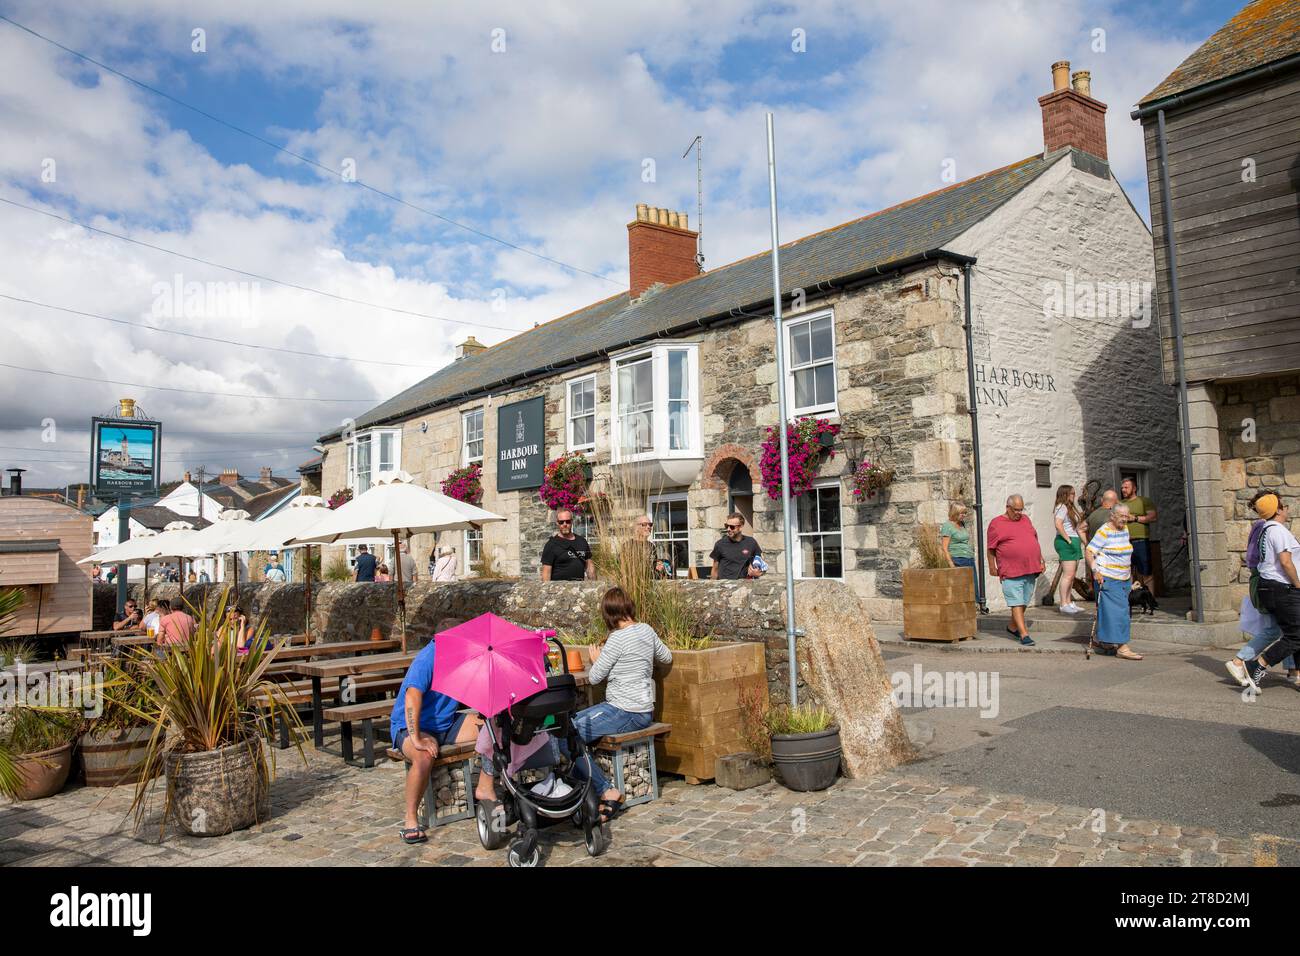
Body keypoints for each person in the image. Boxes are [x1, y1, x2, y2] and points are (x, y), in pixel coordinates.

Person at [546, 586, 672, 821]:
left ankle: (607, 791)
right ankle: (580, 780)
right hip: (642, 708)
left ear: (609, 615)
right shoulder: (647, 630)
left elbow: (593, 678)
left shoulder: (616, 640)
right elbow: (667, 657)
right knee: (569, 723)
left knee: (564, 736)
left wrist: (596, 659)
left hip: (624, 710)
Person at [391, 639, 479, 844]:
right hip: (412, 725)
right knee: (423, 757)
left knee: (493, 730)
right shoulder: (427, 658)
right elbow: (412, 696)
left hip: (446, 723)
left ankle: (487, 790)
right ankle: (410, 820)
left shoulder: (461, 656)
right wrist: (416, 737)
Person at [1232, 492, 1300, 694]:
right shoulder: (1277, 530)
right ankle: (1255, 665)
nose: (1287, 508)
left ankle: (1295, 673)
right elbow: (1286, 561)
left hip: (1272, 587)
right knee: (1295, 635)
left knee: (1293, 632)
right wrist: (1298, 584)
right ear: (1278, 510)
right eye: (1284, 505)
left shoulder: (1266, 529)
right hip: (1281, 587)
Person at [1085, 504, 1143, 660]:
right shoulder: (1104, 531)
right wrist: (1095, 570)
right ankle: (1122, 647)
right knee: (1120, 612)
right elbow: (1089, 551)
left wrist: (1129, 575)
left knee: (1108, 611)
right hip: (1108, 577)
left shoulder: (1124, 529)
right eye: (1121, 516)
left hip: (1123, 577)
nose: (1125, 519)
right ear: (1112, 516)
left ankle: (1103, 640)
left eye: (1126, 516)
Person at [986, 495, 1043, 645]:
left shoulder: (1025, 520)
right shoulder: (996, 523)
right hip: (1010, 569)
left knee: (1024, 600)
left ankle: (1012, 627)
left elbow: (1034, 539)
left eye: (1021, 509)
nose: (1019, 513)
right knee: (1016, 602)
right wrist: (992, 566)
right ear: (1007, 508)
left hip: (1030, 567)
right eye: (1015, 510)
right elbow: (991, 548)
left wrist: (1040, 559)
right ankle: (1024, 634)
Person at [940, 503, 984, 610]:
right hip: (958, 559)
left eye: (965, 513)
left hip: (968, 559)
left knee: (972, 586)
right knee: (961, 588)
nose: (964, 515)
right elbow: (944, 547)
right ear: (955, 513)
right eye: (962, 513)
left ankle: (972, 608)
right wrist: (951, 563)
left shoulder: (962, 524)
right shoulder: (947, 526)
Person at [1120, 477, 1158, 593]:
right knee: (1127, 571)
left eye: (1126, 487)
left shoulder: (1144, 501)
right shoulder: (1120, 504)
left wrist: (1135, 518)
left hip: (1141, 541)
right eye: (1122, 487)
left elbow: (1153, 517)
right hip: (1124, 542)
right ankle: (1129, 598)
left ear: (1134, 488)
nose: (1123, 490)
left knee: (1146, 571)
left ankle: (1151, 599)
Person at [1053, 485, 1084, 615]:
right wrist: (1069, 540)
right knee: (1068, 574)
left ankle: (1069, 602)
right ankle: (1063, 604)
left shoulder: (1070, 508)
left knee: (1071, 575)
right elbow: (1058, 524)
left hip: (1073, 539)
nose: (1073, 495)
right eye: (1071, 493)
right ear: (1064, 494)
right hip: (1067, 541)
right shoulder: (1062, 507)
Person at [541, 509, 593, 581]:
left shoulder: (582, 541)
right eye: (561, 522)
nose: (565, 524)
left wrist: (595, 586)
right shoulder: (551, 544)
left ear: (572, 521)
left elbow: (589, 566)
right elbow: (546, 573)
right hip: (559, 590)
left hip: (579, 589)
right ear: (557, 523)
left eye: (568, 521)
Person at [710, 513, 764, 580]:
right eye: (726, 526)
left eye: (732, 527)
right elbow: (715, 569)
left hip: (745, 586)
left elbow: (762, 565)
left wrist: (758, 573)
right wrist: (712, 585)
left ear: (741, 527)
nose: (728, 529)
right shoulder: (720, 544)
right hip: (726, 587)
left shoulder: (751, 542)